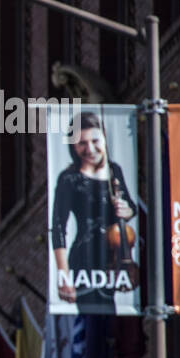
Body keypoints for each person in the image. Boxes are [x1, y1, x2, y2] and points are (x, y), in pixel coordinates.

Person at [51, 111, 137, 314]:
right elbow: (58, 227)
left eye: (95, 141)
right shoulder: (69, 178)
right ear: (73, 146)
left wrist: (127, 210)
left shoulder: (114, 170)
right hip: (86, 259)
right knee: (97, 318)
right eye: (82, 143)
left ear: (105, 139)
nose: (90, 149)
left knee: (122, 317)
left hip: (117, 257)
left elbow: (131, 206)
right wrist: (64, 274)